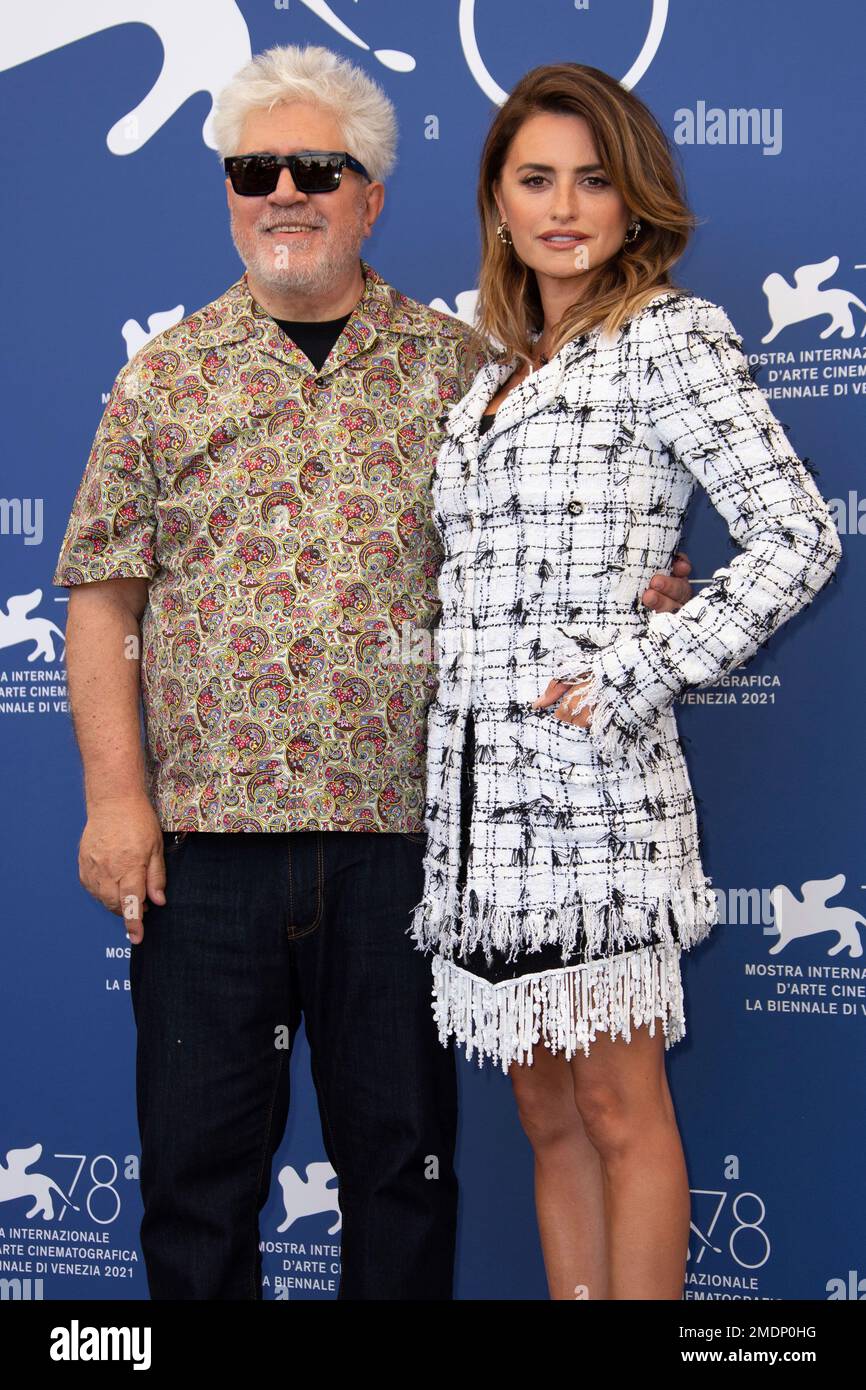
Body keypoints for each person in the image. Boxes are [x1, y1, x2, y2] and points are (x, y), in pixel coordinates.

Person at [52, 45, 695, 1301]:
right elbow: (101, 597)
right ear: (229, 190)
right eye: (254, 169)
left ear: (370, 197)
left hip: (407, 842)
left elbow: (540, 545)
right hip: (208, 844)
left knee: (403, 1169)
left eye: (317, 167)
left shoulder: (460, 370)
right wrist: (115, 800)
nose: (283, 190)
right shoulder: (163, 379)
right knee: (197, 1175)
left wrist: (637, 592)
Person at [408, 62, 842, 1301]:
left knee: (615, 1106)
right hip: (475, 814)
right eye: (534, 178)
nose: (563, 206)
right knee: (544, 1116)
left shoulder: (667, 336)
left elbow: (797, 535)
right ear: (496, 201)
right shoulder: (489, 378)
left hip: (596, 796)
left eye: (592, 179)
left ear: (632, 199)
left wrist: (638, 663)